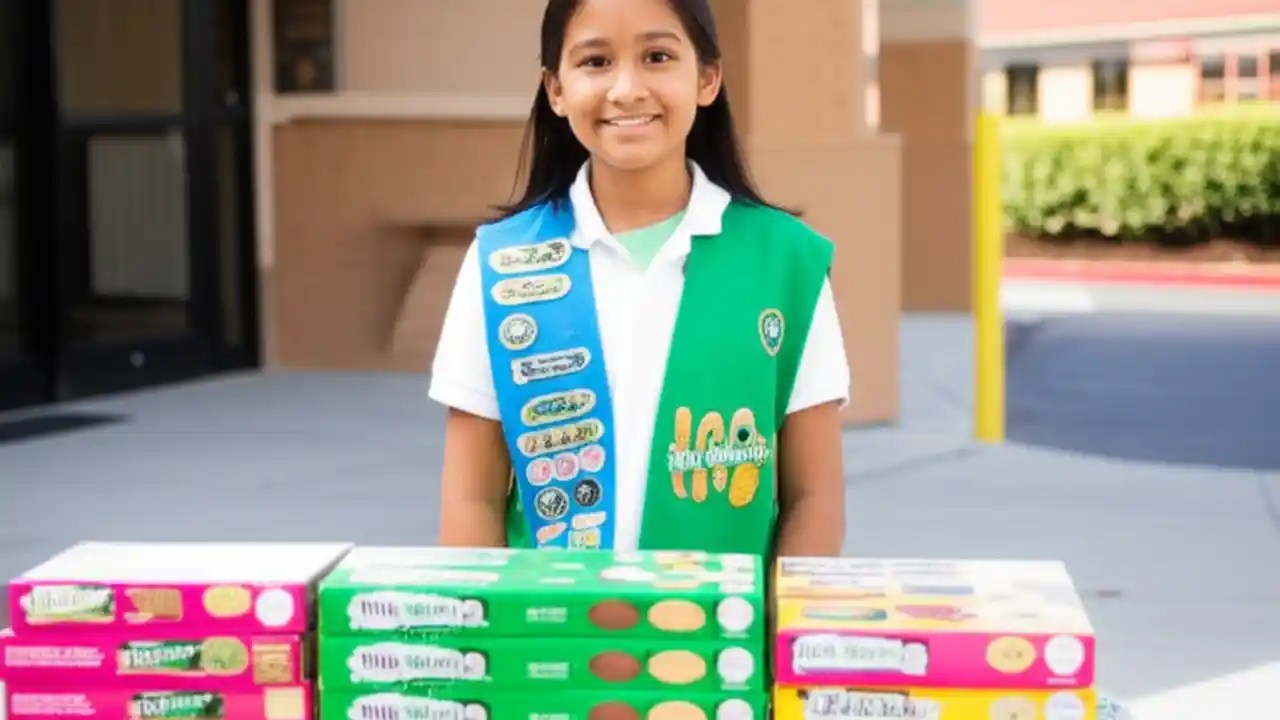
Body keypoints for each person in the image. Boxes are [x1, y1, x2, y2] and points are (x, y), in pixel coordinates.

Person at [428, 0, 849, 560]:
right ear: (555, 89)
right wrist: (489, 635)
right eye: (596, 62)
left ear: (707, 78)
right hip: (547, 635)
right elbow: (470, 500)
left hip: (723, 639)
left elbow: (814, 499)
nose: (626, 89)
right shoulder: (499, 263)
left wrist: (772, 634)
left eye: (657, 56)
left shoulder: (786, 263)